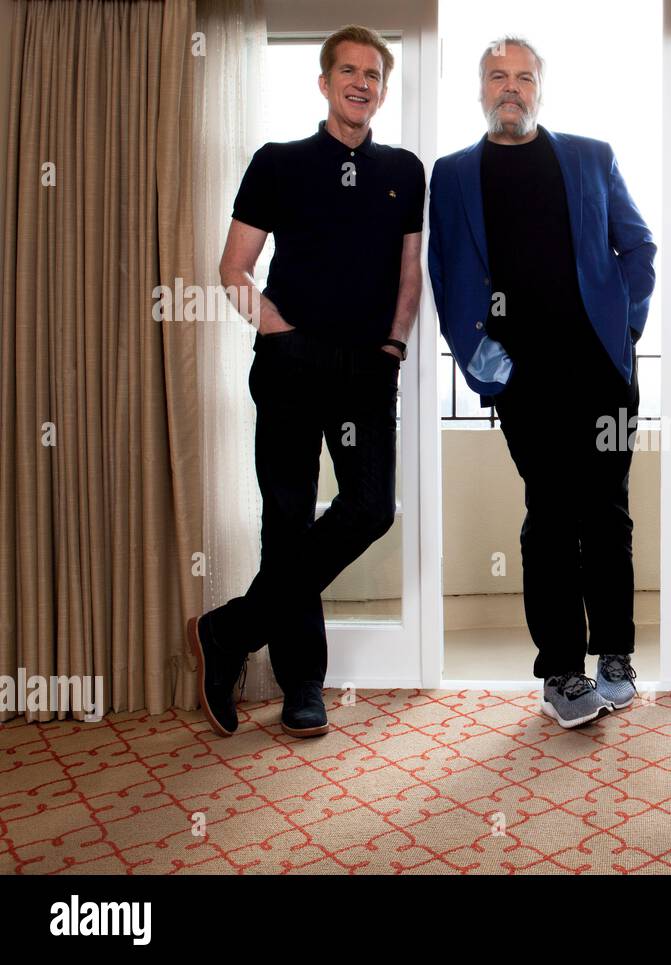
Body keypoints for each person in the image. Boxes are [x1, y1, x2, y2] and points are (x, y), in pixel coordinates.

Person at [188, 25, 425, 738]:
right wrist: (273, 329)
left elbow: (409, 270)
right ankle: (303, 685)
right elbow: (234, 265)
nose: (361, 82)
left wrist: (393, 343)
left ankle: (230, 628)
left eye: (374, 73)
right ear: (324, 83)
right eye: (348, 70)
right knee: (285, 519)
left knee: (370, 507)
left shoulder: (404, 169)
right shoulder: (278, 162)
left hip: (367, 369)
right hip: (290, 366)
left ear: (383, 88)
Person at [427, 37, 656, 728]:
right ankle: (561, 669)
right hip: (525, 381)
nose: (511, 87)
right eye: (498, 76)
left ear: (540, 90)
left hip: (603, 373)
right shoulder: (455, 173)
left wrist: (626, 329)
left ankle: (615, 653)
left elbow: (638, 245)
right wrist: (492, 369)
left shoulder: (591, 155)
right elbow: (450, 275)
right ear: (480, 90)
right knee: (551, 514)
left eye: (524, 77)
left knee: (608, 511)